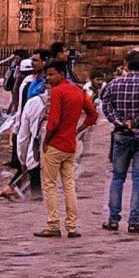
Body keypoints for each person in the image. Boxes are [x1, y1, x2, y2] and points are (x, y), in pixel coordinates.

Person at [98, 48, 139, 234]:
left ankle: (113, 219)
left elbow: (106, 106)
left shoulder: (114, 84)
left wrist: (122, 122)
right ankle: (134, 221)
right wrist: (137, 121)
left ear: (126, 64)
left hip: (121, 134)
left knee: (117, 177)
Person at [35, 54, 95, 239]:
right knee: (69, 185)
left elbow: (53, 123)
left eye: (51, 74)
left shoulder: (58, 92)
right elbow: (92, 115)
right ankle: (72, 226)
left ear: (61, 74)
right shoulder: (78, 90)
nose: (48, 78)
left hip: (55, 144)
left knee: (49, 185)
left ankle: (53, 224)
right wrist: (78, 130)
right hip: (70, 145)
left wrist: (46, 141)